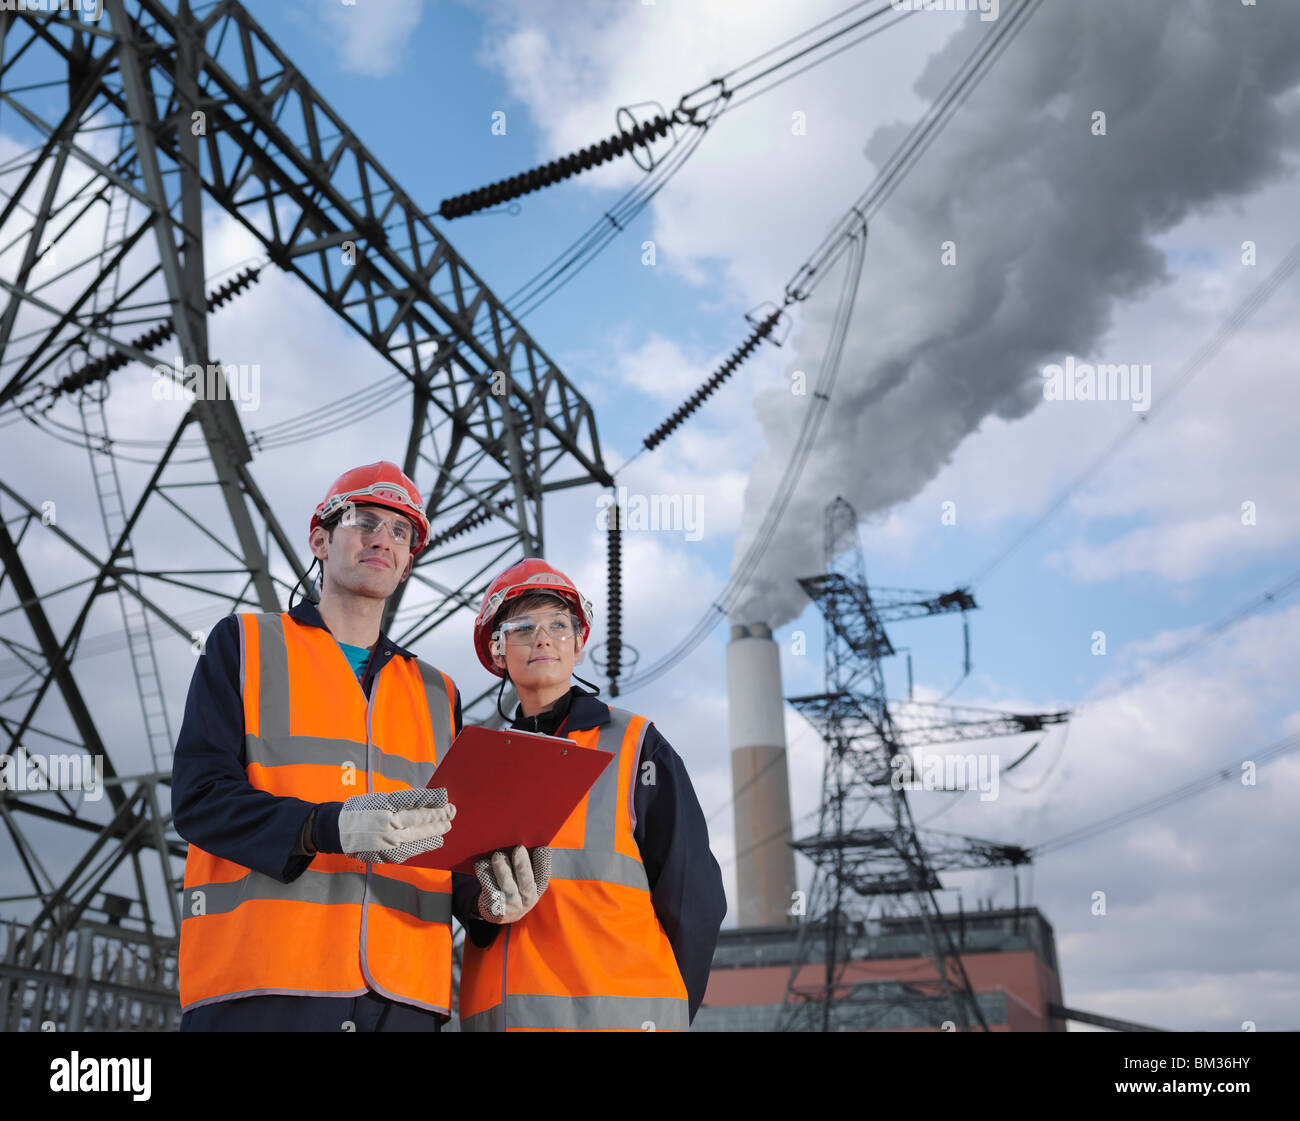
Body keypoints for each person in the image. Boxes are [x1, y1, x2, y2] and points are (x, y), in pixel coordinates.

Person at [172, 461, 483, 1032]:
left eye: (400, 533)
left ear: (409, 559)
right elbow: (200, 800)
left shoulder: (439, 693)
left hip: (405, 998)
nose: (381, 539)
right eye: (363, 520)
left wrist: (487, 900)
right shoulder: (245, 645)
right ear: (320, 539)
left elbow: (449, 838)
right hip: (262, 985)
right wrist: (324, 827)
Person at [457, 558, 727, 1031]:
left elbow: (692, 896)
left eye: (559, 625)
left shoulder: (637, 747)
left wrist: (667, 1011)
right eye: (522, 628)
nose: (543, 638)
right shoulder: (477, 765)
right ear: (498, 652)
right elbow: (459, 893)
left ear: (579, 645)